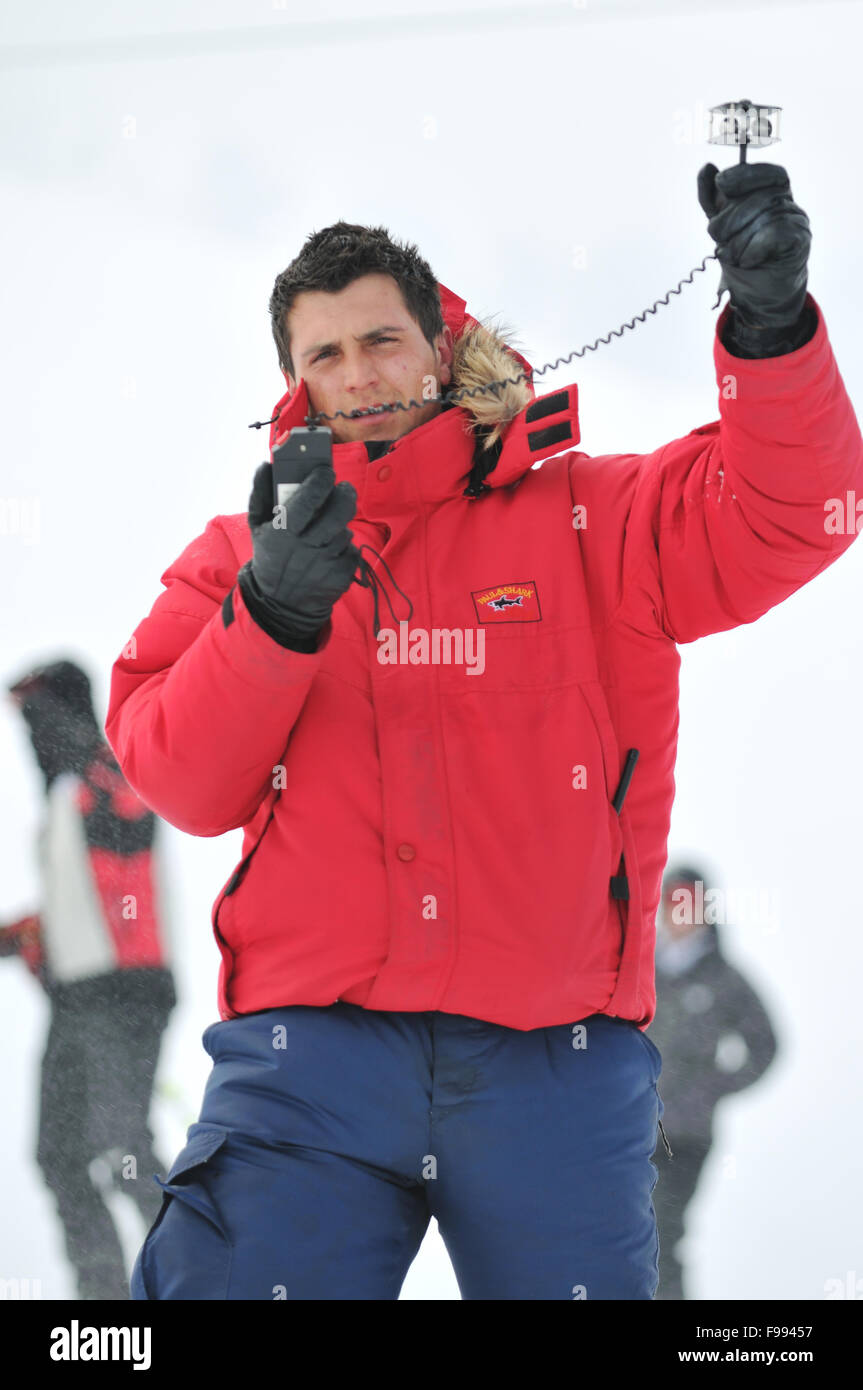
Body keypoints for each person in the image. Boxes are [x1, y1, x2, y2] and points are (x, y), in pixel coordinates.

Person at [105, 163, 861, 1300]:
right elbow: (177, 774)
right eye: (324, 354)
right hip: (309, 1059)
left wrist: (769, 329)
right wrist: (272, 613)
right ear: (294, 384)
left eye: (381, 340)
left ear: (442, 344)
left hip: (551, 1064)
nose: (358, 375)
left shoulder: (588, 521)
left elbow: (791, 512)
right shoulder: (237, 558)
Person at [3, 659, 177, 1300]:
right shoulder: (69, 793)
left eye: (31, 715)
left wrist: (76, 957)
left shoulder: (103, 774)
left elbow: (127, 852)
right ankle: (103, 1303)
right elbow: (82, 898)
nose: (25, 731)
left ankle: (199, 1283)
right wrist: (35, 942)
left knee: (120, 1143)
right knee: (59, 1152)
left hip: (121, 990)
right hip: (82, 994)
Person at [647, 862, 778, 1300]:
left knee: (662, 1235)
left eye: (689, 903)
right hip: (627, 1129)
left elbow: (765, 1046)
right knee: (610, 1233)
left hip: (685, 1136)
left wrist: (709, 1088)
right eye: (671, 901)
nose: (679, 913)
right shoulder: (639, 966)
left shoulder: (724, 977)